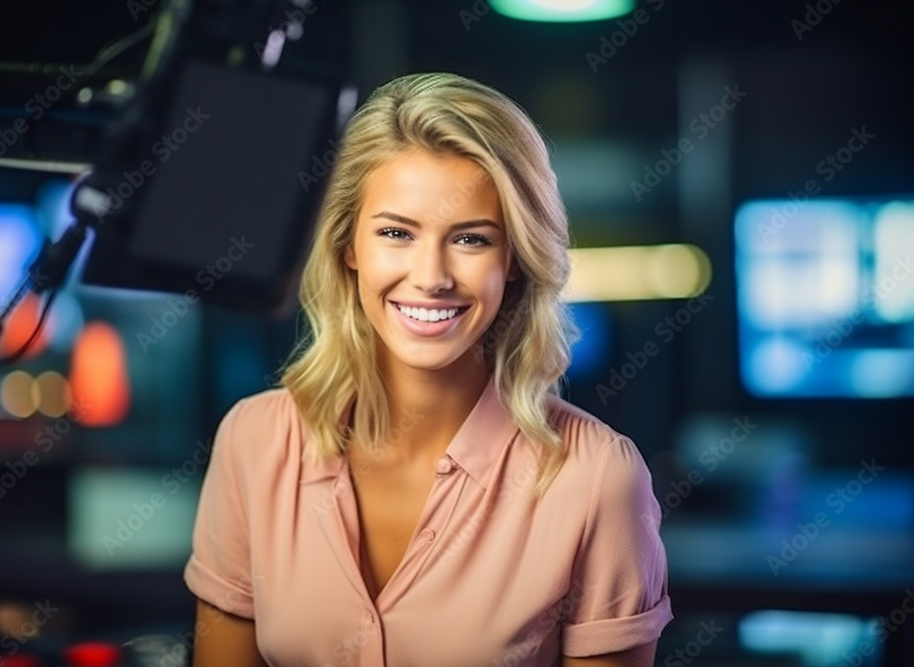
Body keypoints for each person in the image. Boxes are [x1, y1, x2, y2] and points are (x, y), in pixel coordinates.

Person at [183, 72, 672, 666]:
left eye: (470, 240)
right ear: (348, 246)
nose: (431, 275)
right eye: (396, 233)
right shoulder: (255, 442)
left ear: (514, 260)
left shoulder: (598, 479)